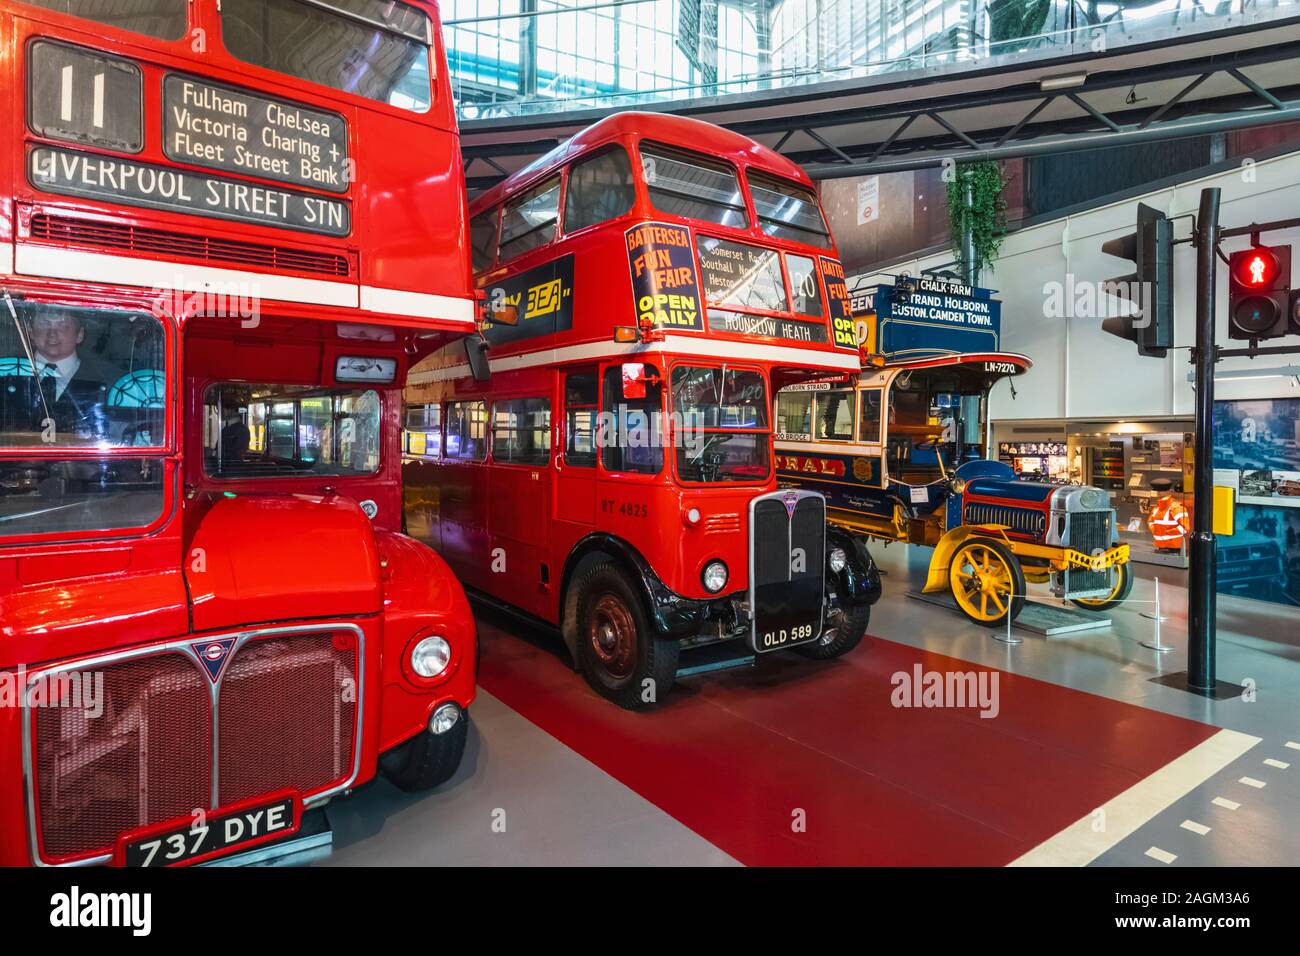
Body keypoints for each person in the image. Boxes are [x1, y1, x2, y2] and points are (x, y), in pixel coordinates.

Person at [26, 311, 116, 440]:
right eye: (44, 324)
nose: (52, 334)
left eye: (62, 325)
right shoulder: (6, 373)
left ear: (79, 334)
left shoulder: (109, 382)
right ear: (30, 330)